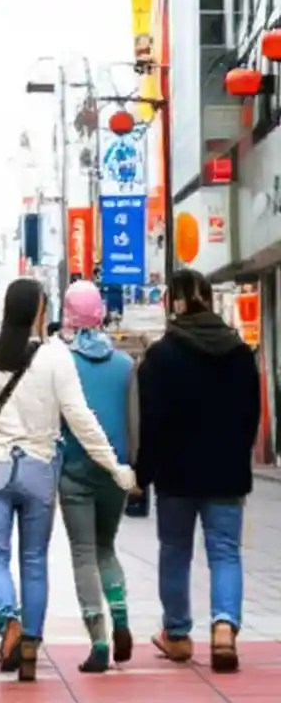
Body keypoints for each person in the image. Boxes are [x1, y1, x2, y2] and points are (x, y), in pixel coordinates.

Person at [0, 278, 136, 682]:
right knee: (34, 560)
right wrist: (113, 465)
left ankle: (7, 622)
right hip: (38, 470)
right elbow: (80, 419)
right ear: (38, 312)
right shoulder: (55, 358)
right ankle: (30, 645)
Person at [136, 268, 259, 673]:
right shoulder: (239, 354)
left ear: (173, 302)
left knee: (175, 552)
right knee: (224, 552)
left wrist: (143, 475)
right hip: (225, 473)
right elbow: (249, 417)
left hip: (176, 476)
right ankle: (224, 628)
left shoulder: (160, 356)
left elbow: (150, 422)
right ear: (208, 297)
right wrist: (236, 457)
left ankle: (177, 635)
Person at [56, 281, 136, 673]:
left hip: (74, 469)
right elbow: (133, 420)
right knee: (106, 547)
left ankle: (99, 640)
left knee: (83, 554)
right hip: (115, 471)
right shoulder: (125, 365)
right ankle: (121, 615)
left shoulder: (62, 362)